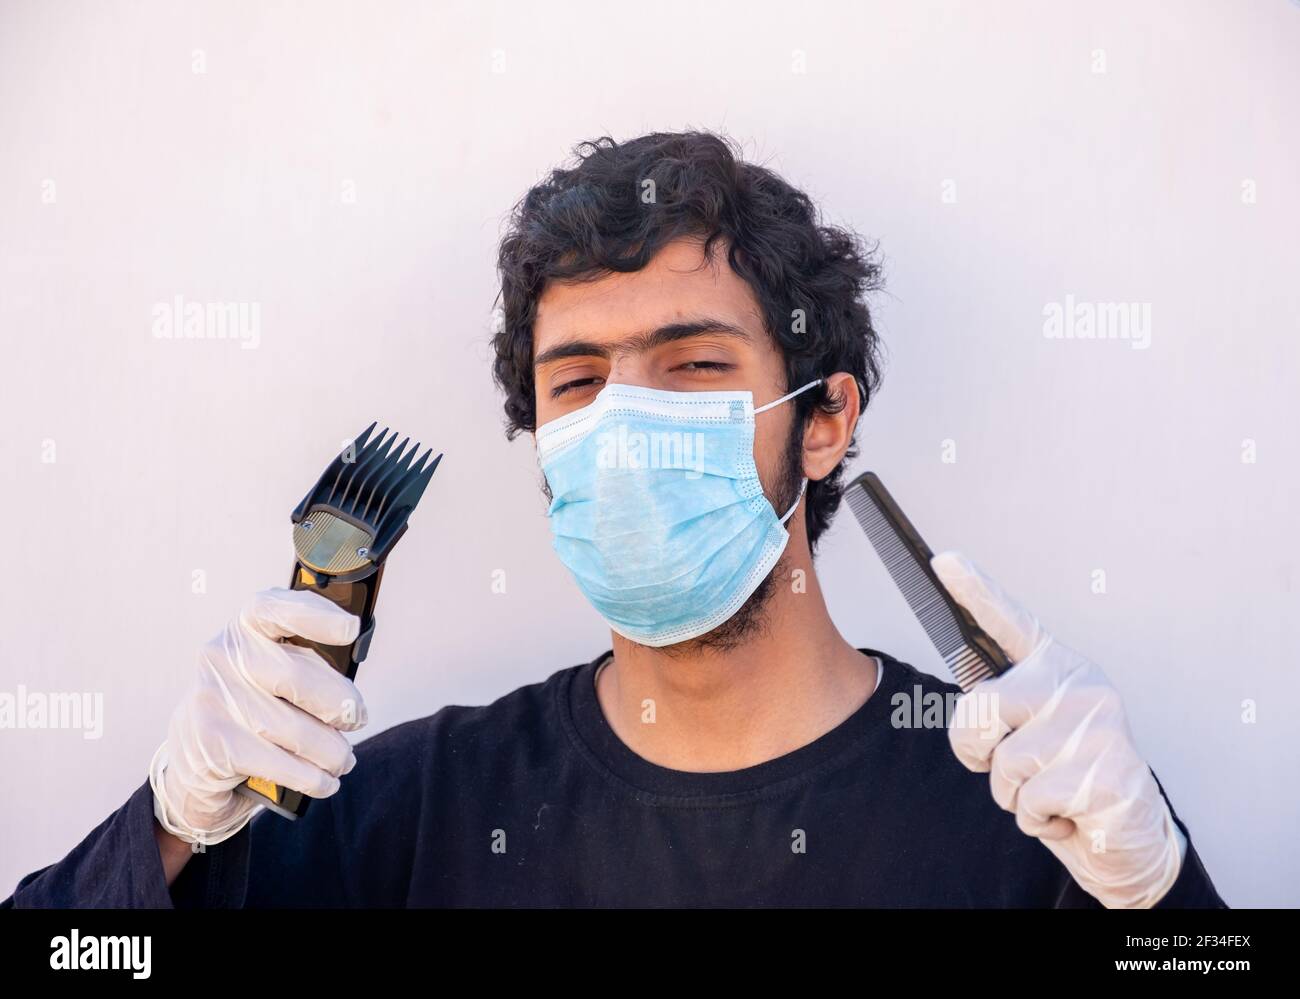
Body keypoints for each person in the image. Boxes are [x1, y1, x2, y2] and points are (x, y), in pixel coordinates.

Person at [4, 131, 1223, 908]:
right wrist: (161, 831)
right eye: (578, 381)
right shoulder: (404, 812)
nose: (626, 425)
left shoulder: (1031, 810)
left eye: (692, 366)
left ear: (824, 419)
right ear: (540, 443)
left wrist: (1162, 906)